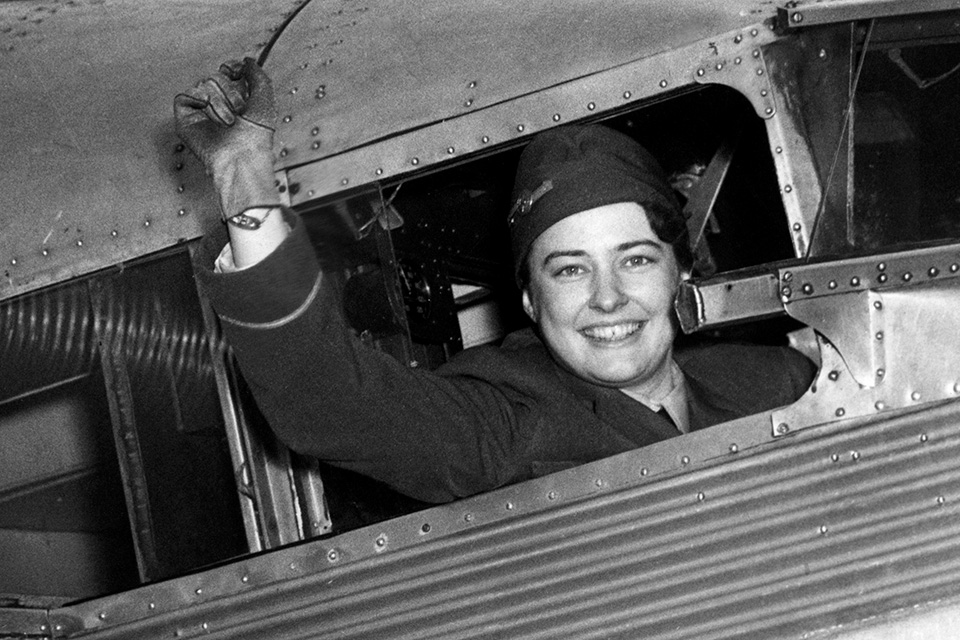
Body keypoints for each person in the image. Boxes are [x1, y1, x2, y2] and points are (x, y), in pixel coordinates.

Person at [176, 59, 815, 503]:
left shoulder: (778, 382)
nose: (608, 296)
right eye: (570, 269)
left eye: (636, 259)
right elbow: (331, 403)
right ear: (532, 302)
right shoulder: (504, 421)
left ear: (680, 270)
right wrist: (244, 174)